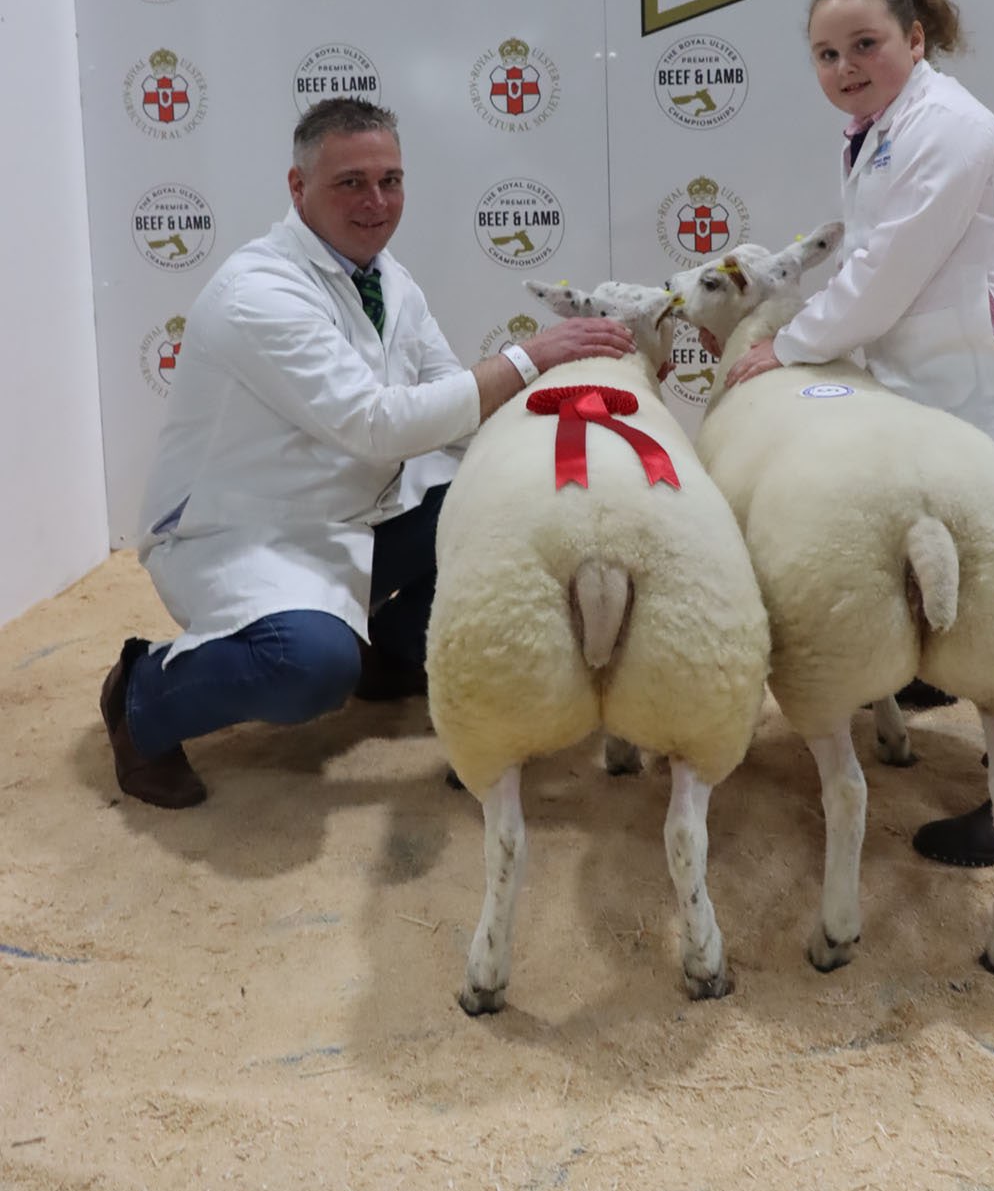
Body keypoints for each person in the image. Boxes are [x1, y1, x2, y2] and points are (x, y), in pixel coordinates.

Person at [101, 97, 634, 809]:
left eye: (391, 180)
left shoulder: (387, 277)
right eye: (350, 182)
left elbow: (450, 399)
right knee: (310, 668)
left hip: (353, 513)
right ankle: (142, 697)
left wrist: (556, 424)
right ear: (298, 189)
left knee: (508, 502)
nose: (376, 201)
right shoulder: (258, 293)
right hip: (244, 534)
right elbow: (376, 426)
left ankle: (391, 648)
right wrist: (531, 358)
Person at [725, 0, 994, 866]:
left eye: (865, 45)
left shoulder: (949, 128)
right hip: (936, 364)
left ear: (915, 39)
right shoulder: (882, 128)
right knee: (947, 533)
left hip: (978, 366)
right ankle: (935, 673)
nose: (845, 67)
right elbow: (871, 249)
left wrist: (789, 344)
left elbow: (886, 268)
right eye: (826, 54)